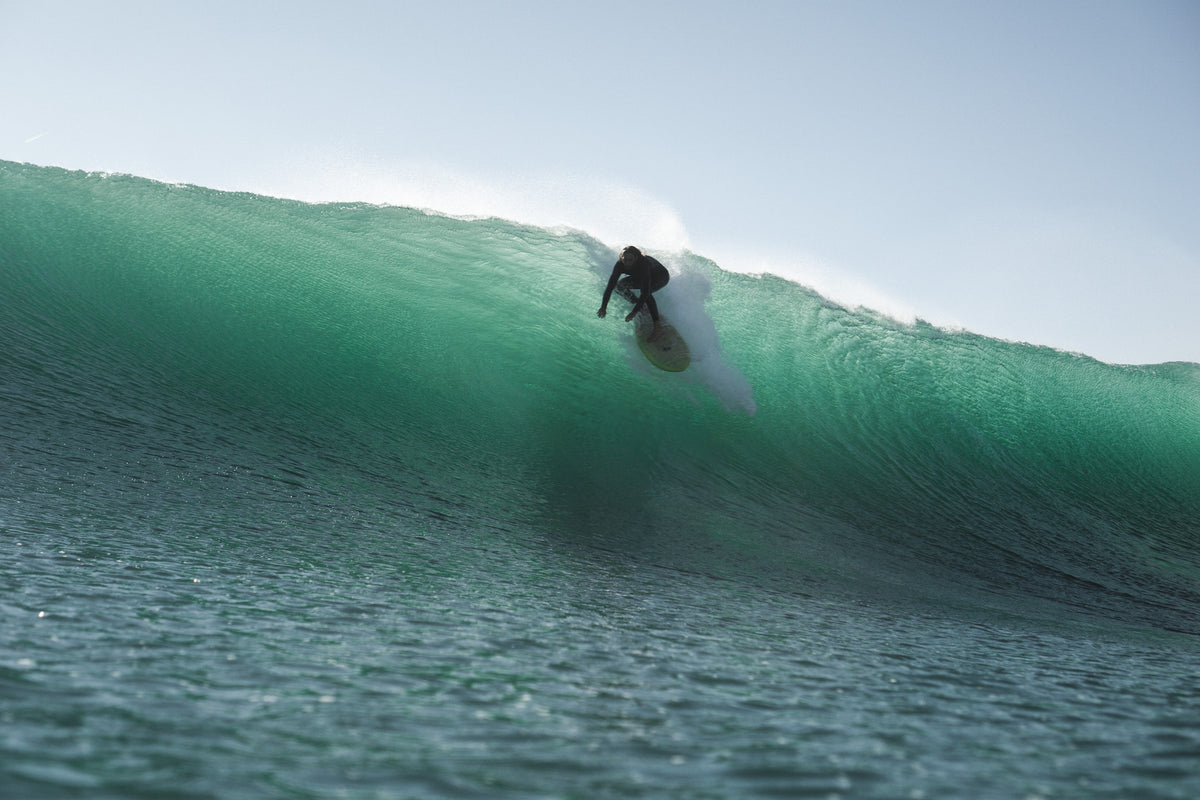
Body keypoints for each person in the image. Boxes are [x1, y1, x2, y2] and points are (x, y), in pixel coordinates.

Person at [597, 245, 670, 342]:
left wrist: (634, 312)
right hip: (641, 276)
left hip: (661, 276)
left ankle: (658, 328)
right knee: (619, 286)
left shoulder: (644, 264)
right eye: (625, 259)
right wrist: (603, 306)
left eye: (630, 260)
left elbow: (645, 293)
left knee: (646, 293)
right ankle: (643, 307)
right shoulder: (620, 264)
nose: (627, 263)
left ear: (636, 258)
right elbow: (610, 286)